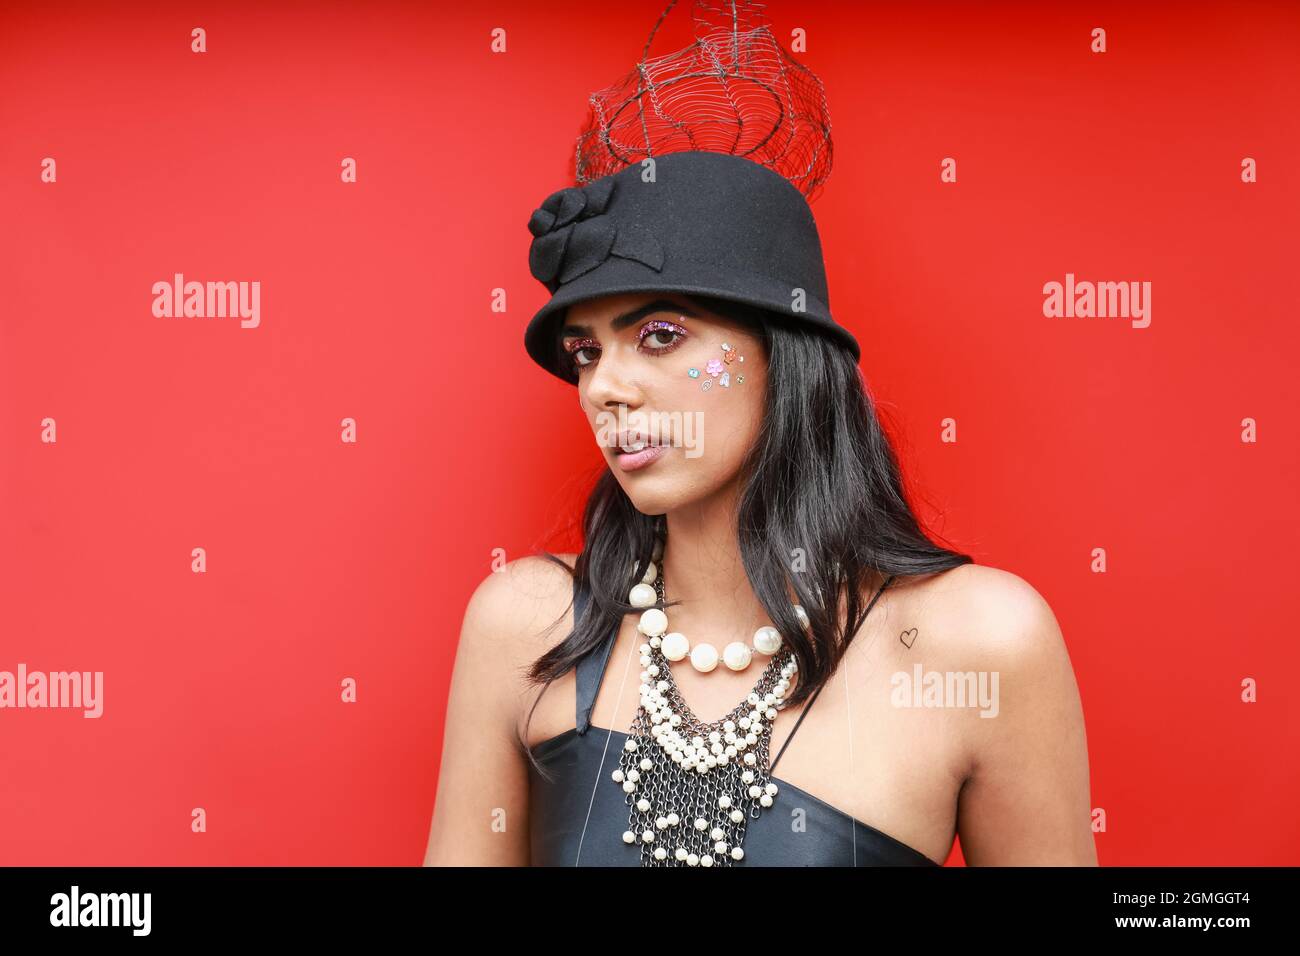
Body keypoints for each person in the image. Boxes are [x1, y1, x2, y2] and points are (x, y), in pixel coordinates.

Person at [424, 4, 1095, 867]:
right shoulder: (526, 627)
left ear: (784, 357)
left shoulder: (983, 643)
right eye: (584, 352)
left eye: (660, 335)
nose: (605, 387)